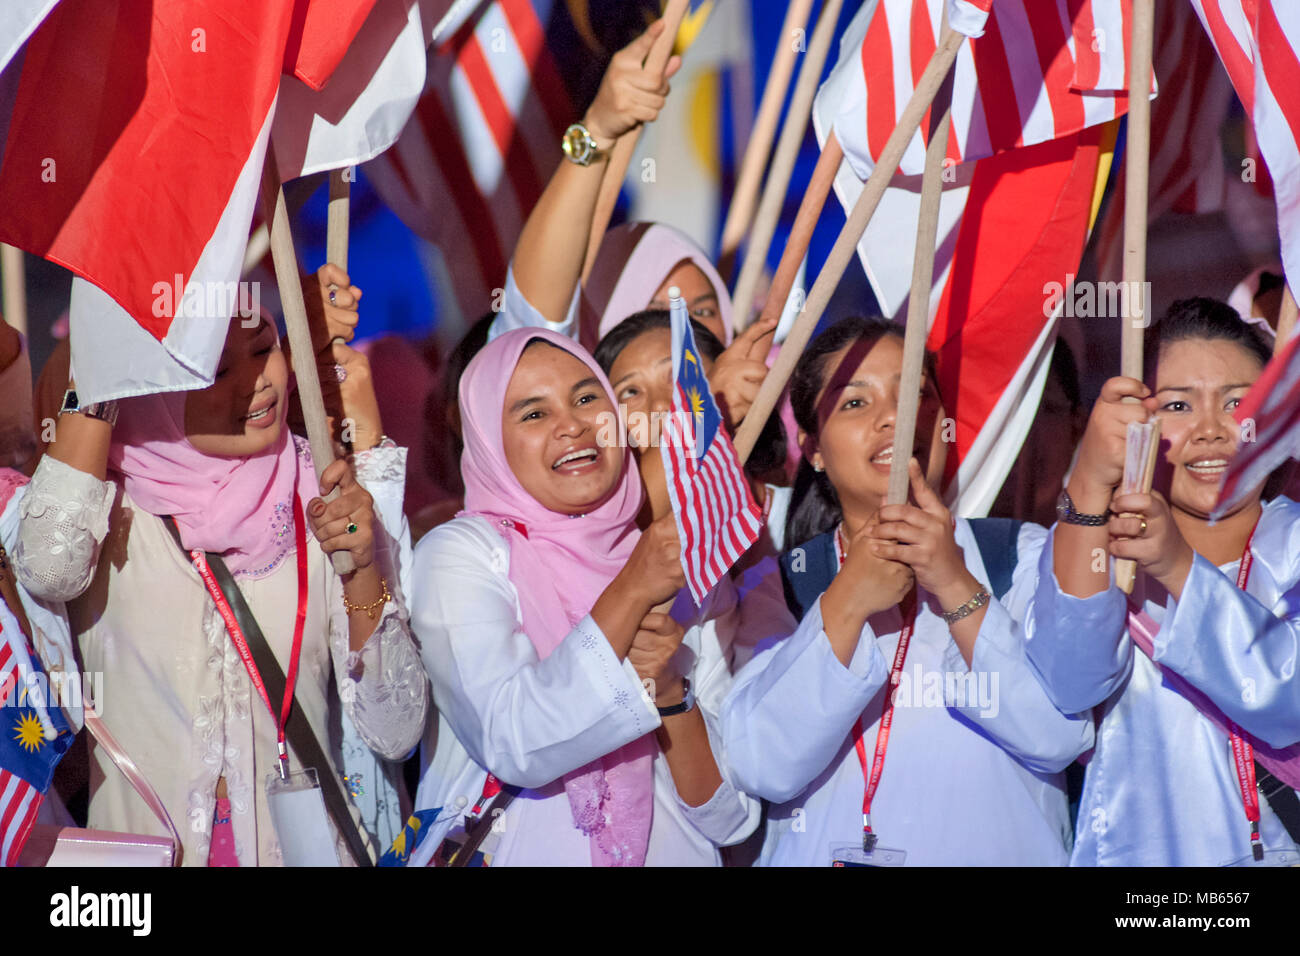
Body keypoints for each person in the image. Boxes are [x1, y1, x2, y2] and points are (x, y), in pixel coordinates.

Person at [14, 276, 429, 866]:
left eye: (264, 350)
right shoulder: (105, 502)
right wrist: (107, 354)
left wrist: (364, 568)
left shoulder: (324, 493)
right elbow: (46, 567)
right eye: (214, 368)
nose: (257, 382)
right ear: (157, 378)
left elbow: (396, 728)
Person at [720, 315, 1093, 866]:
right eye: (855, 403)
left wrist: (953, 582)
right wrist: (847, 600)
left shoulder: (1021, 555)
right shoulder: (782, 583)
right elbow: (761, 765)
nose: (892, 417)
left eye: (915, 393)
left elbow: (1059, 734)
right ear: (813, 449)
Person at [405, 327, 757, 866]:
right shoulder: (462, 554)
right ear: (488, 443)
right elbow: (513, 739)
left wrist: (669, 692)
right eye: (532, 413)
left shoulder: (686, 570)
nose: (572, 425)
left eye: (588, 398)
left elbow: (730, 816)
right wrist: (633, 588)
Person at [1026, 297, 1300, 866]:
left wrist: (1178, 568)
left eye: (1237, 402)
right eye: (1178, 404)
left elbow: (1287, 700)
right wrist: (1089, 482)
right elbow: (1070, 687)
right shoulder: (1100, 553)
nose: (1208, 430)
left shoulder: (1293, 543)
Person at [593, 308, 790, 555]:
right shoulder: (612, 553)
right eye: (630, 392)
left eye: (679, 375)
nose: (660, 405)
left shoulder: (807, 523)